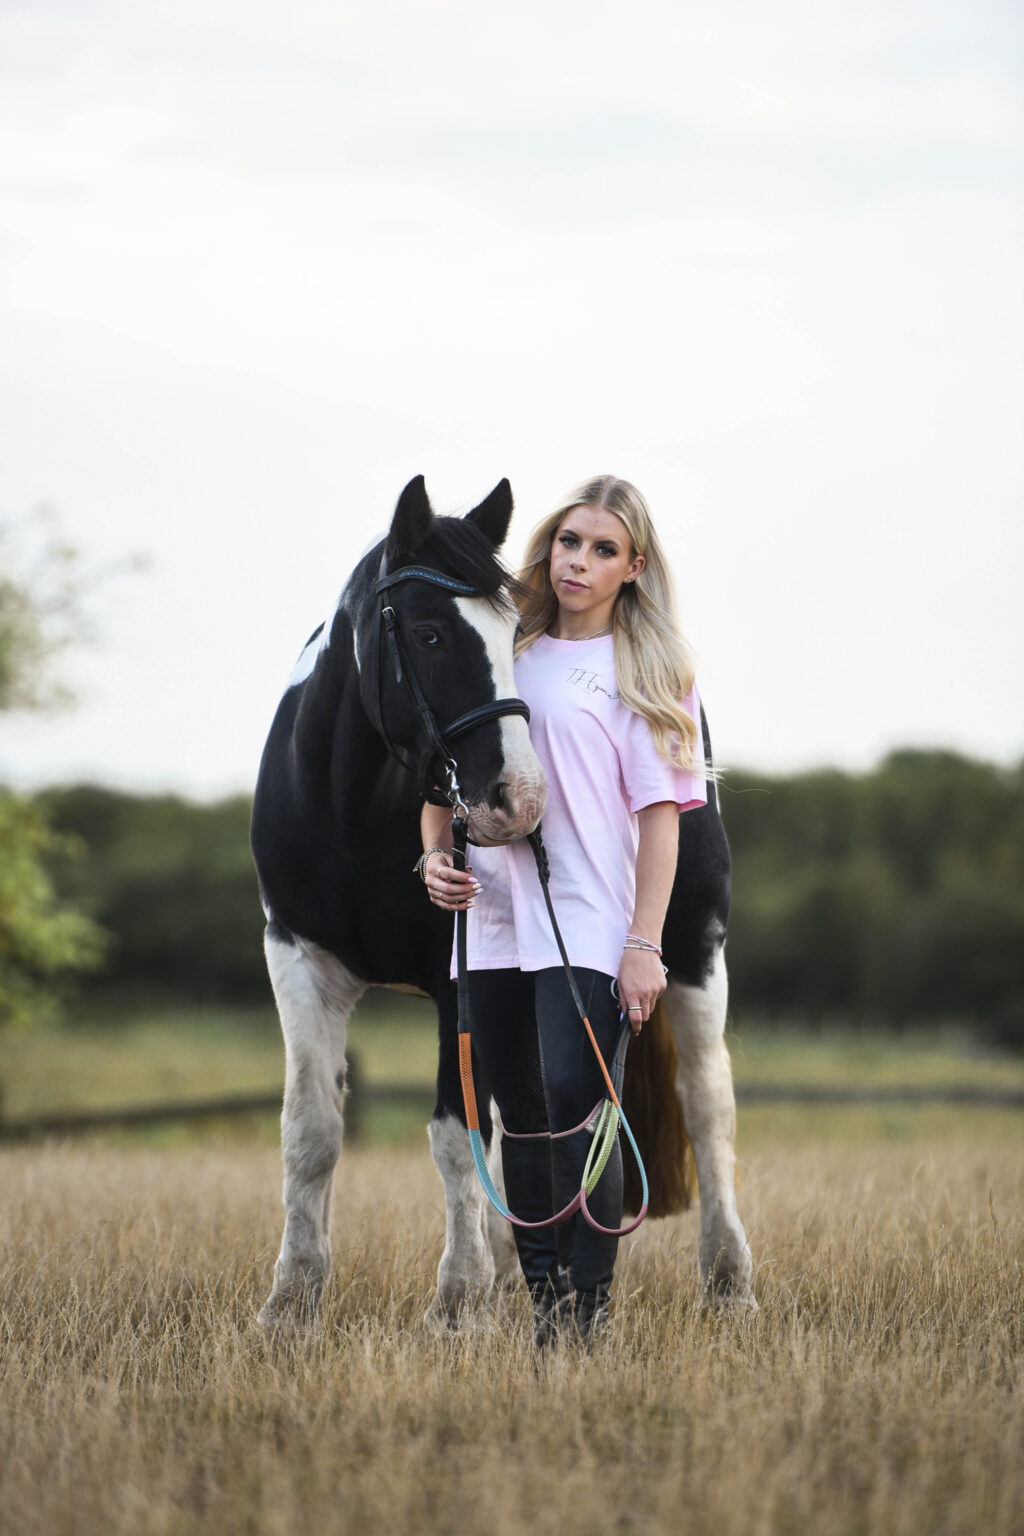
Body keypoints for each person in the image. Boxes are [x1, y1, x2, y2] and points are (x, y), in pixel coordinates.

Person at [418, 475, 707, 1345]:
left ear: (635, 567)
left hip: (588, 921)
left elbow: (661, 827)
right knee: (524, 1123)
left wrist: (643, 945)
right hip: (495, 921)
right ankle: (547, 1317)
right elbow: (442, 774)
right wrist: (433, 857)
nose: (579, 562)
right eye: (569, 543)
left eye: (603, 549)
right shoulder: (508, 646)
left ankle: (591, 1317)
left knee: (583, 1122)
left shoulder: (648, 672)